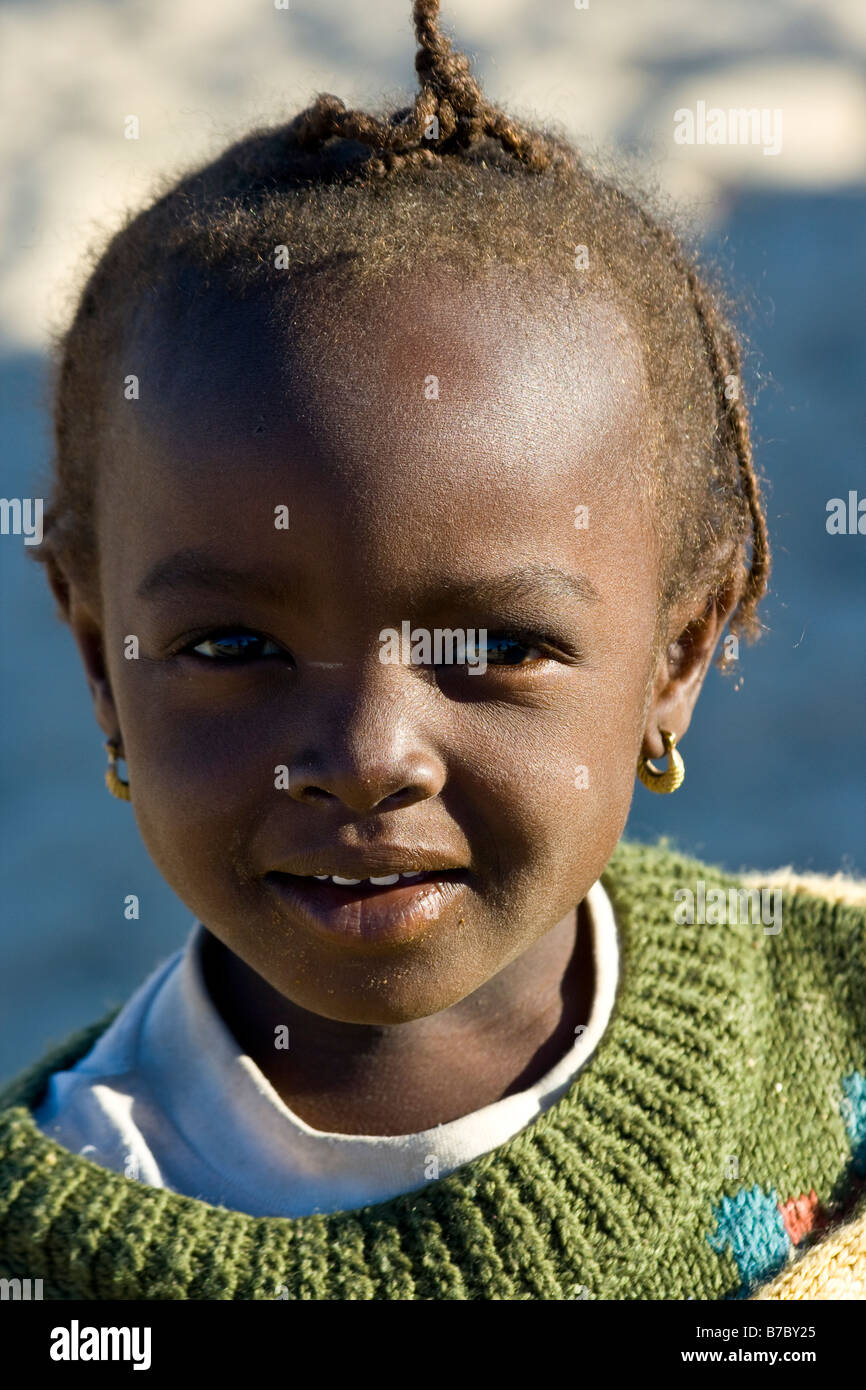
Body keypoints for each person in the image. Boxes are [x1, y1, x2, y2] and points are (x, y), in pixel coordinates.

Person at [1, 0, 863, 1300]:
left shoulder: (837, 1015)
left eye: (495, 645)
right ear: (96, 652)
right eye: (233, 642)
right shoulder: (49, 1254)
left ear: (676, 651)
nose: (363, 757)